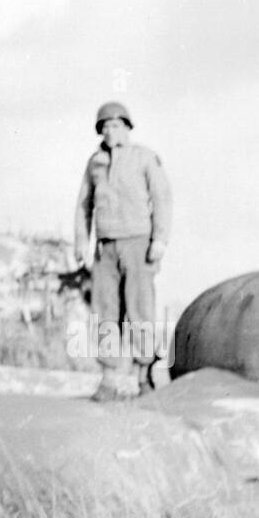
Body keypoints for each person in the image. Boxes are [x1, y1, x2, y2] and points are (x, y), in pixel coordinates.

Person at [73, 101, 173, 401]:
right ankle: (110, 379)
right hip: (106, 248)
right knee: (105, 314)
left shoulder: (144, 158)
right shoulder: (95, 162)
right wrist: (81, 241)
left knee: (140, 311)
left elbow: (163, 198)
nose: (109, 131)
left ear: (127, 127)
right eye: (104, 126)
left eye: (115, 125)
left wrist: (160, 240)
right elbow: (83, 205)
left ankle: (144, 377)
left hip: (138, 244)